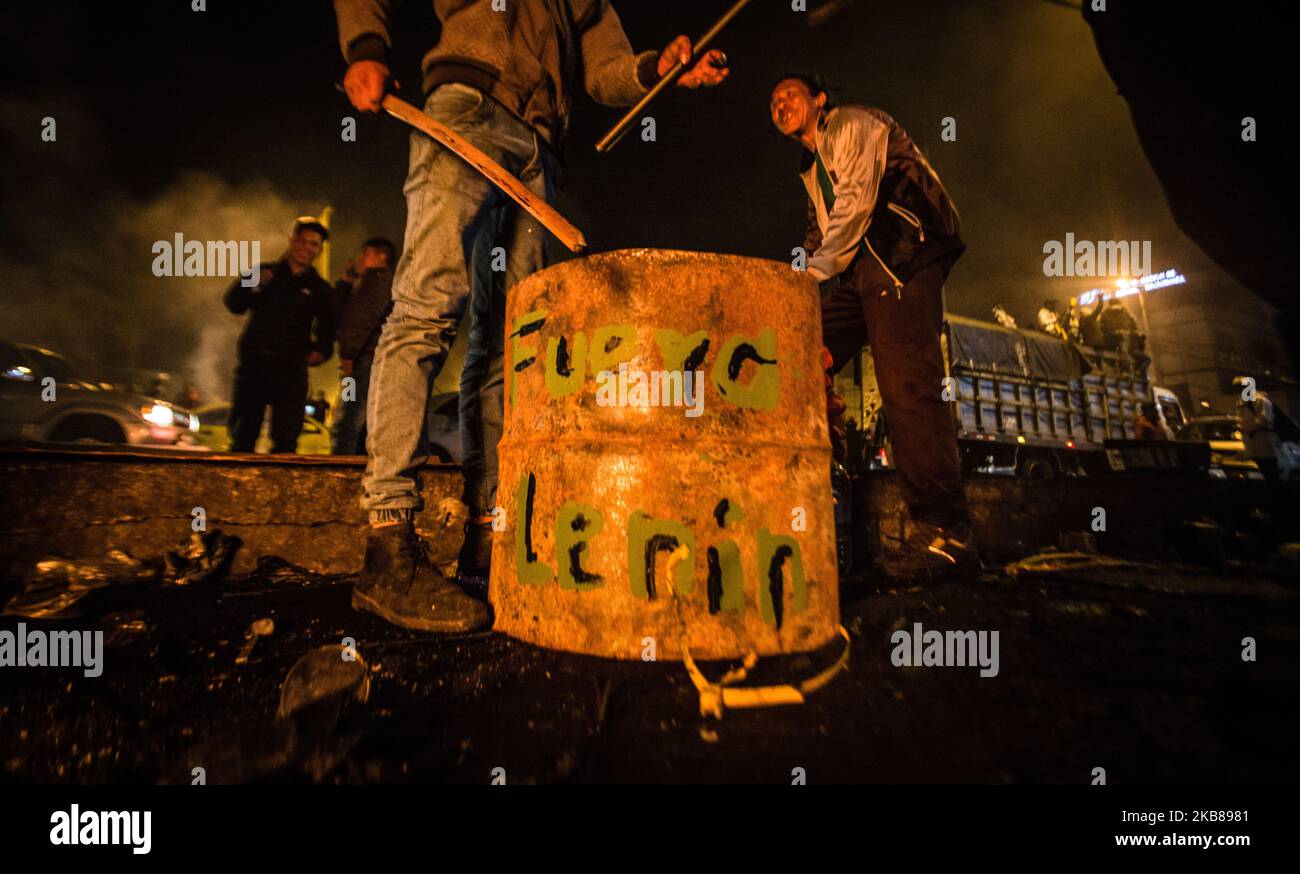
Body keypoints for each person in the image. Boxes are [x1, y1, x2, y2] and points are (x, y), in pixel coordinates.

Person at [335, 0, 730, 631]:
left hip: (538, 151)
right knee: (425, 311)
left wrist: (657, 68)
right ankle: (388, 543)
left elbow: (605, 69)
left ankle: (488, 538)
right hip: (467, 108)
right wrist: (365, 48)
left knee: (508, 346)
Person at [769, 71, 977, 580]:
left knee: (907, 386)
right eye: (773, 102)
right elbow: (820, 234)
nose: (780, 105)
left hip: (901, 254)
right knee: (795, 340)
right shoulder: (810, 167)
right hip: (862, 271)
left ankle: (947, 533)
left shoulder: (851, 124)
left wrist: (810, 274)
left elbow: (856, 205)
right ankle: (810, 486)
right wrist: (790, 292)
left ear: (819, 98)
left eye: (790, 94)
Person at [223, 217, 335, 454]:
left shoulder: (320, 288)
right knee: (243, 436)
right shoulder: (264, 272)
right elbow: (233, 303)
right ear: (292, 241)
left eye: (313, 244)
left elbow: (329, 326)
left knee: (286, 440)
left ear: (319, 250)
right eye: (303, 241)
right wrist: (253, 284)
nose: (307, 248)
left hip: (291, 369)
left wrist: (322, 351)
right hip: (255, 364)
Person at [331, 237, 397, 455]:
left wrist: (349, 355)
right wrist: (345, 284)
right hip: (363, 360)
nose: (361, 259)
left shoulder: (375, 283)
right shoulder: (374, 282)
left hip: (360, 363)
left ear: (381, 257)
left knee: (348, 417)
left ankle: (342, 465)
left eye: (366, 254)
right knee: (356, 417)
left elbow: (360, 320)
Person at [1235, 376, 1279, 481]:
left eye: (1241, 387)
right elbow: (1240, 420)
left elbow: (1265, 419)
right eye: (1237, 388)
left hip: (1264, 441)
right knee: (1258, 473)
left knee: (1270, 471)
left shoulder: (1261, 401)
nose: (1239, 390)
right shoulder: (1241, 403)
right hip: (1251, 444)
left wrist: (1249, 427)